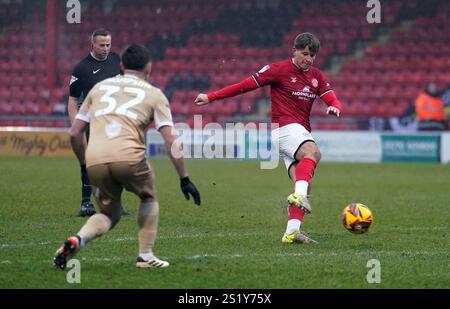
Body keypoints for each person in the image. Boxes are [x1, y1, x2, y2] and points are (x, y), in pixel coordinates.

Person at [54, 44, 201, 270]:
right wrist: (184, 178)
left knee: (108, 214)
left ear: (121, 66)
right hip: (129, 156)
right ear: (149, 69)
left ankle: (78, 239)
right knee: (148, 196)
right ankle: (145, 255)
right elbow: (171, 140)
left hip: (95, 158)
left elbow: (74, 132)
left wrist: (84, 165)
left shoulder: (100, 88)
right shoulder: (155, 94)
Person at [195, 32, 342, 244]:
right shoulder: (278, 70)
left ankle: (292, 232)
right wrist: (211, 97)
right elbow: (244, 85)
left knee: (303, 183)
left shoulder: (316, 75)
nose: (308, 59)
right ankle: (299, 199)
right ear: (294, 50)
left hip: (298, 131)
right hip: (284, 129)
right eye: (305, 54)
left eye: (312, 56)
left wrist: (334, 106)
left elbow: (331, 97)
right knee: (313, 153)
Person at [68, 28, 130, 217]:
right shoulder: (81, 68)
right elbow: (72, 100)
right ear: (92, 44)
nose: (105, 48)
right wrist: (75, 126)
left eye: (108, 45)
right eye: (102, 45)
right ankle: (86, 203)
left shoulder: (116, 60)